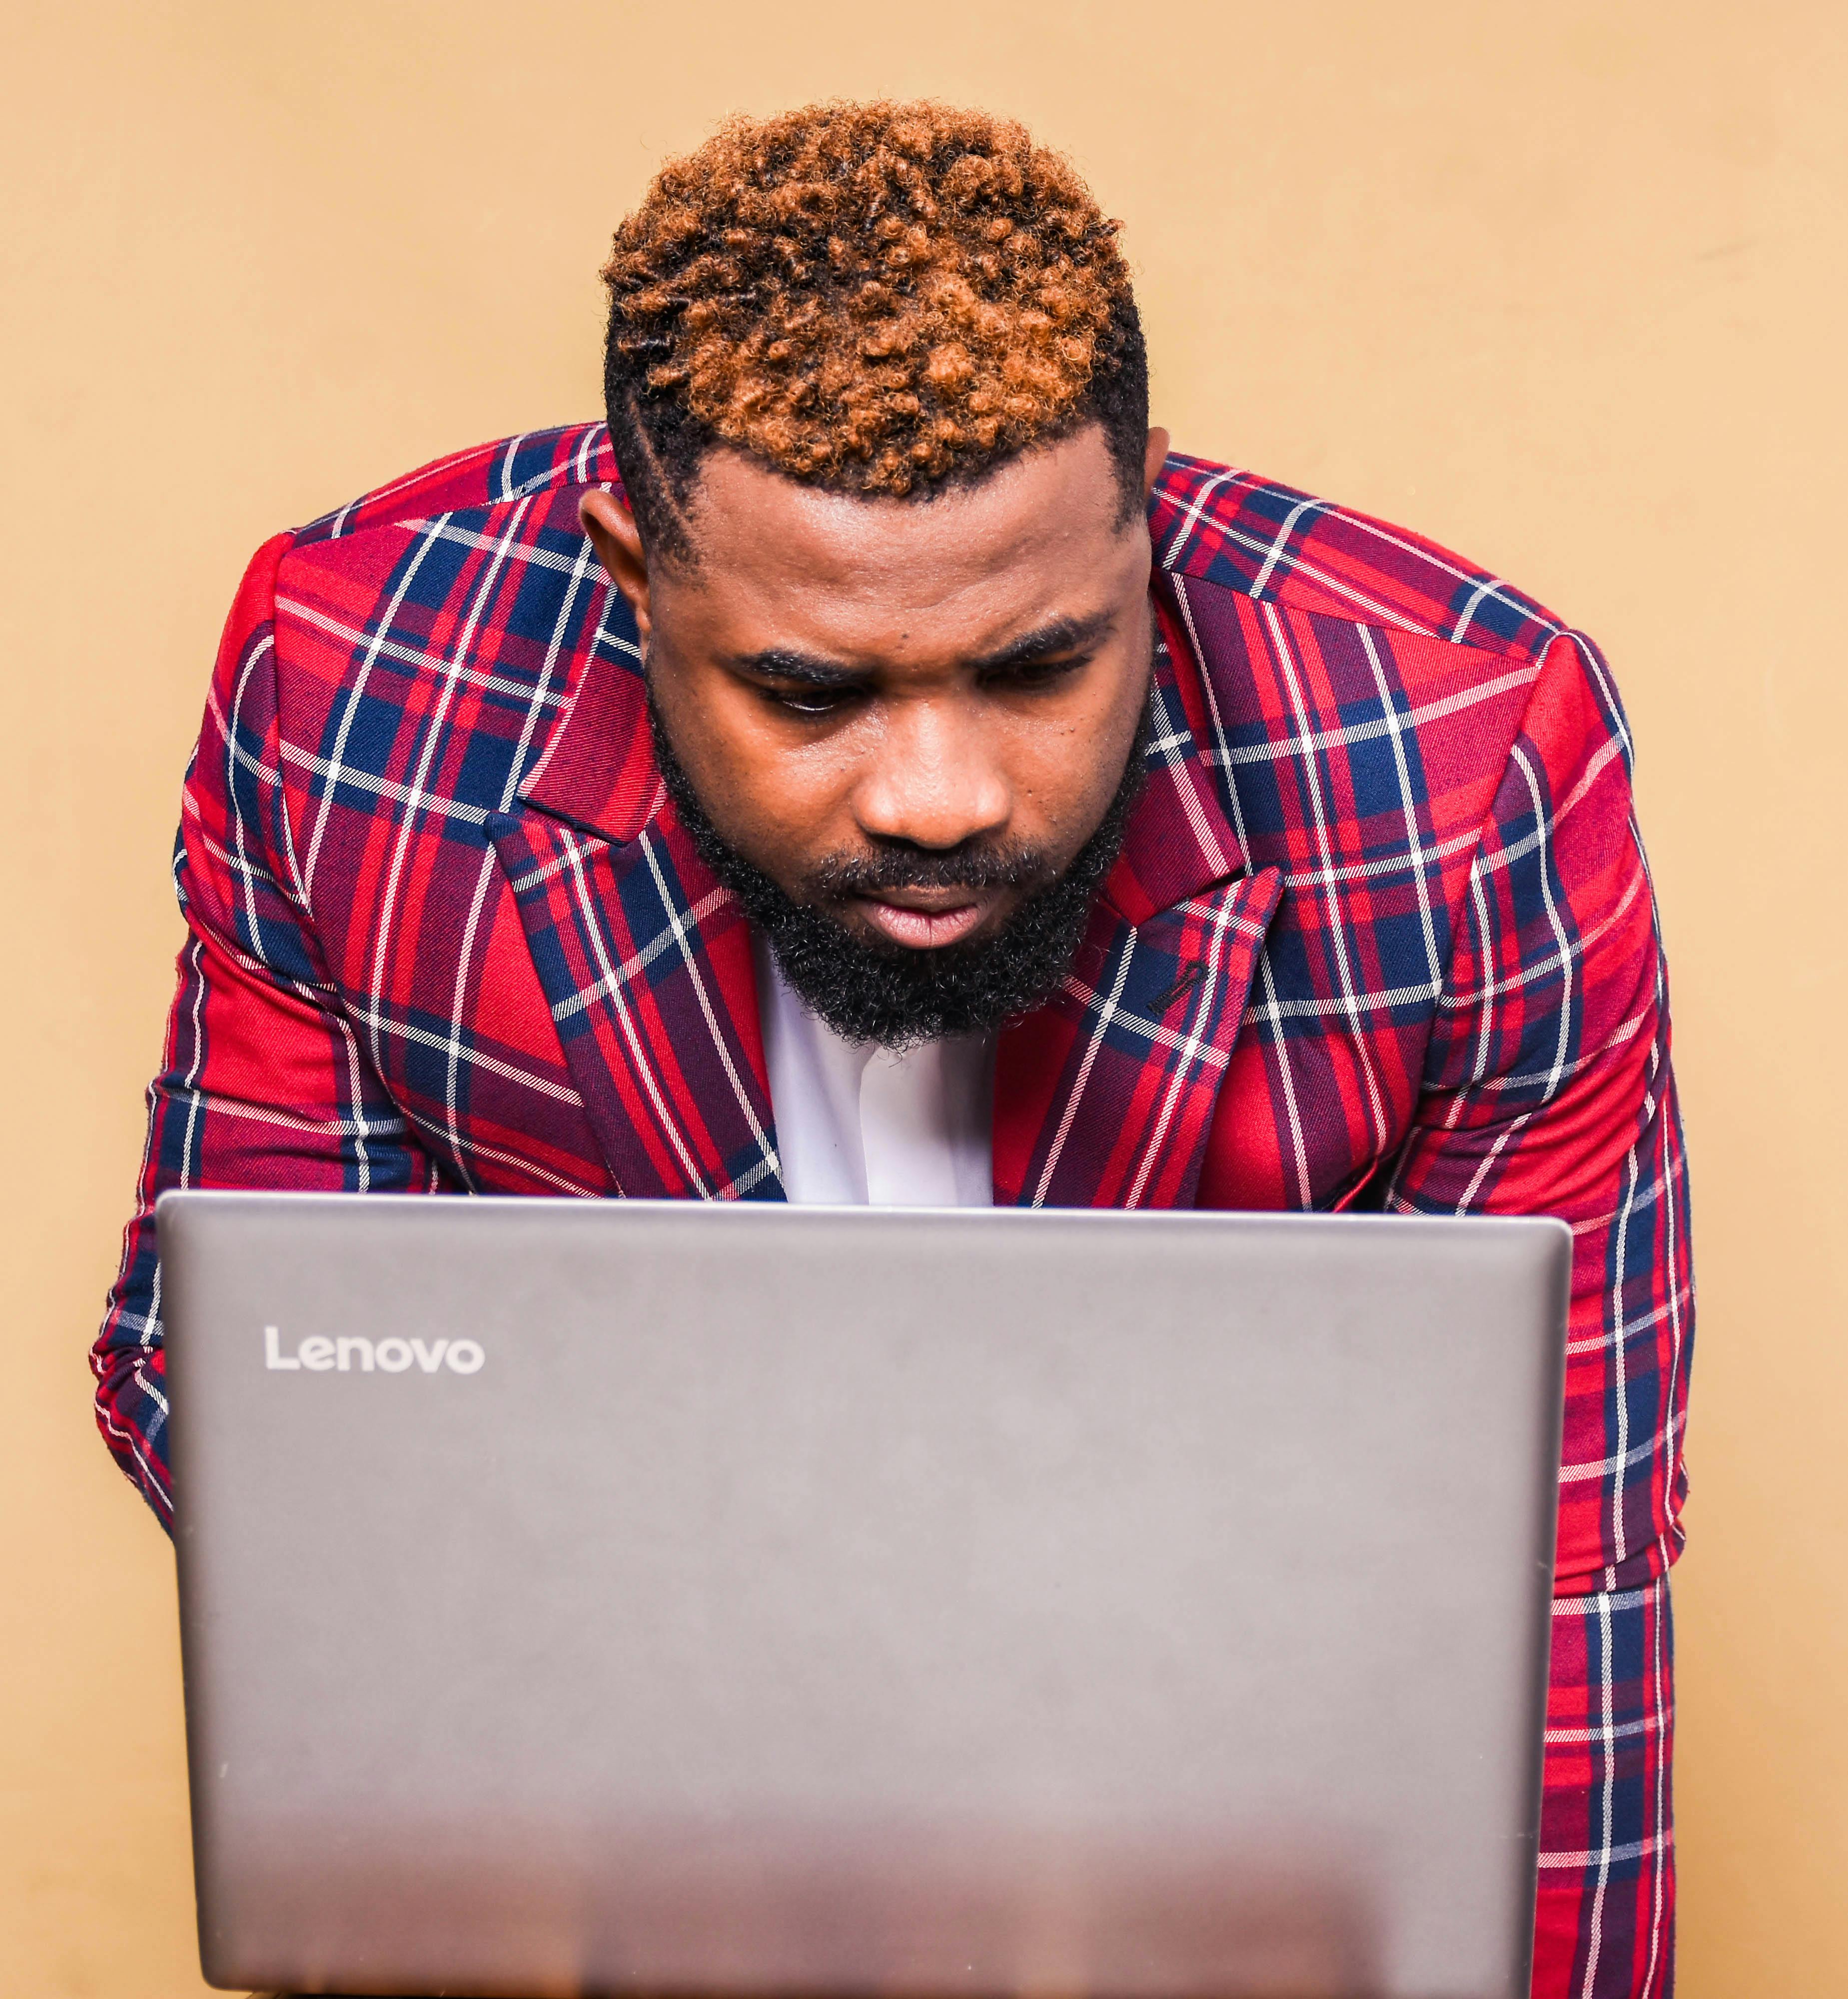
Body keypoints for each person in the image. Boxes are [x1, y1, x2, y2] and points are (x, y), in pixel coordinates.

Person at [91, 100, 1690, 1998]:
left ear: (1143, 526)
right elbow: (250, 1402)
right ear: (631, 568)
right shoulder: (351, 687)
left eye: (1034, 668)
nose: (936, 798)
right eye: (808, 690)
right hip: (599, 1878)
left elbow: (1553, 1590)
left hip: (1214, 1885)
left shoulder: (1464, 759)